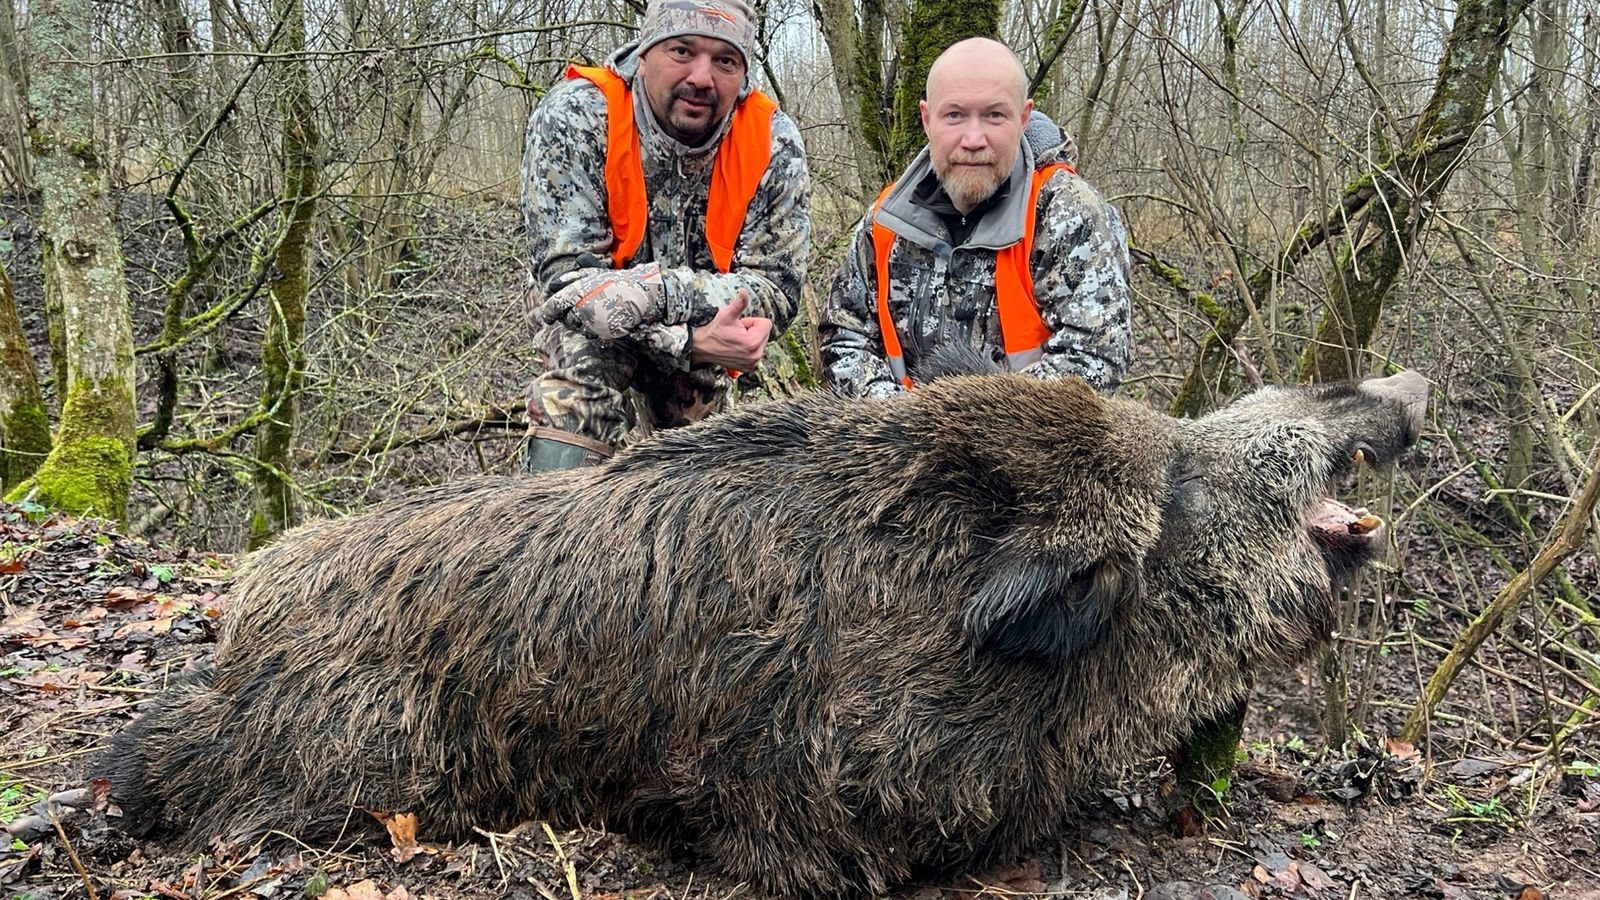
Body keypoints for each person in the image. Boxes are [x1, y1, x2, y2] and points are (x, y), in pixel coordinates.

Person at [520, 0, 811, 470]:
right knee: (575, 389)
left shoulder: (770, 140)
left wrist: (661, 298)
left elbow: (776, 290)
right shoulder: (577, 115)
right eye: (682, 51)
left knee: (704, 461)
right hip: (596, 331)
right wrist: (684, 341)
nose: (702, 77)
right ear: (644, 55)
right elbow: (568, 285)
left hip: (706, 338)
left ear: (743, 75)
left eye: (725, 60)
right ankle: (546, 515)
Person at [819, 37, 1131, 397]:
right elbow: (842, 339)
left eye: (994, 115)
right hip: (900, 429)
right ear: (926, 119)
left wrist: (960, 422)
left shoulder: (1068, 215)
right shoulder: (887, 220)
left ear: (1023, 118)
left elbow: (1093, 362)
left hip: (1027, 434)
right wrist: (902, 417)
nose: (973, 139)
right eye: (954, 115)